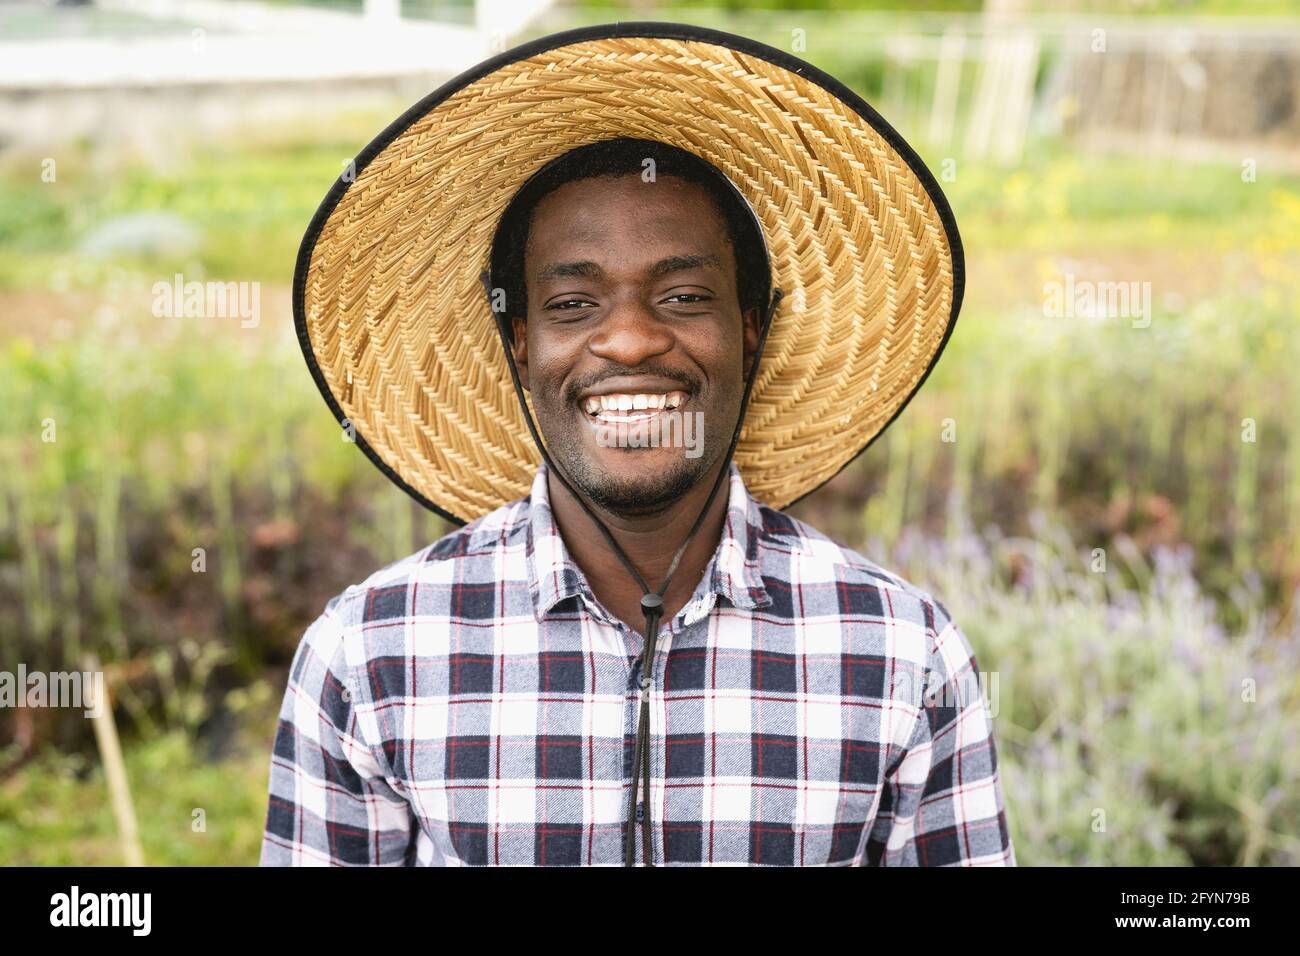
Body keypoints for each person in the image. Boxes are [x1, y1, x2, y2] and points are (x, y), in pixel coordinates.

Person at [261, 23, 1014, 866]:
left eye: (685, 296)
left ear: (752, 331)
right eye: (572, 305)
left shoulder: (902, 651)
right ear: (519, 344)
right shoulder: (372, 653)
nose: (628, 340)